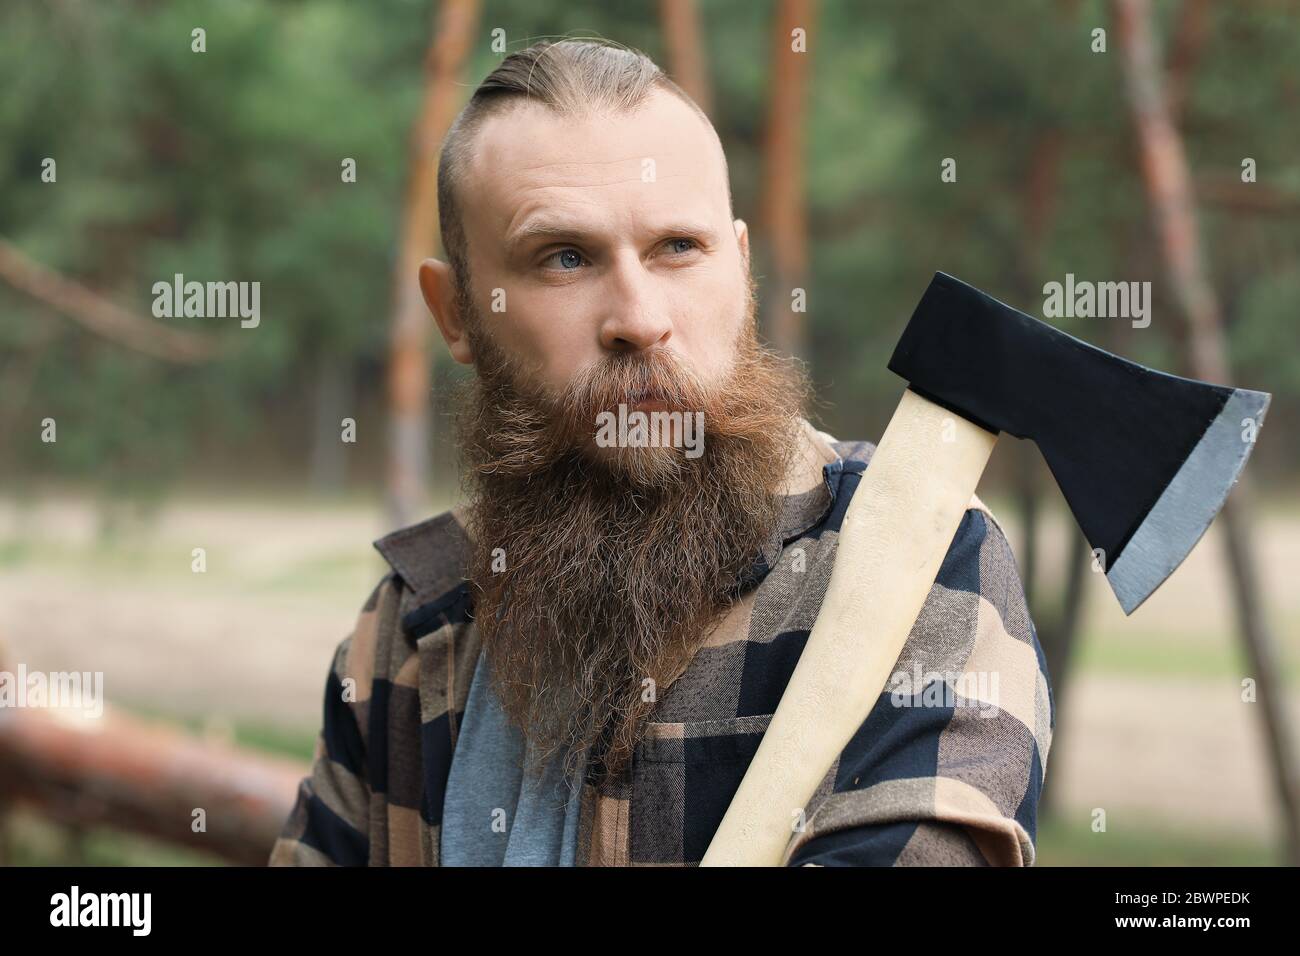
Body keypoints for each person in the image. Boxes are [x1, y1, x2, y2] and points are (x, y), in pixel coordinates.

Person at [269, 38, 1053, 867]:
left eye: (679, 248)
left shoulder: (916, 567)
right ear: (457, 311)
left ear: (742, 268)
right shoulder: (410, 629)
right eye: (565, 258)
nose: (639, 319)